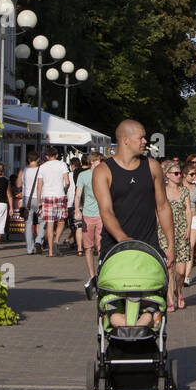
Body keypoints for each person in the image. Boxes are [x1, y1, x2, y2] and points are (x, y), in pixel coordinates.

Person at [91, 120, 175, 266]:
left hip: (148, 247)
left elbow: (163, 207)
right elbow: (106, 211)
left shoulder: (152, 166)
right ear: (126, 140)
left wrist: (171, 245)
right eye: (141, 138)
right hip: (115, 247)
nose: (145, 141)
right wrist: (123, 239)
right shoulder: (103, 171)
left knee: (155, 288)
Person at [160, 158, 191, 310]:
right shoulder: (161, 191)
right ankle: (170, 298)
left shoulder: (185, 190)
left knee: (181, 271)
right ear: (168, 175)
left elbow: (188, 211)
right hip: (165, 231)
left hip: (181, 231)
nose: (179, 176)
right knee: (169, 267)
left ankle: (179, 290)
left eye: (180, 173)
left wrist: (189, 227)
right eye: (176, 173)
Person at [35, 146, 71, 258]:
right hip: (60, 195)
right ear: (56, 155)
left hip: (46, 196)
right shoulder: (62, 165)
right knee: (61, 220)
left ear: (46, 156)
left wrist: (38, 200)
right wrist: (64, 190)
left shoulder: (42, 167)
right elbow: (68, 182)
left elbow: (39, 185)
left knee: (49, 224)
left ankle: (50, 251)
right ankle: (56, 241)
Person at [74, 153, 102, 284]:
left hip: (103, 215)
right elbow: (78, 194)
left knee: (101, 246)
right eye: (99, 161)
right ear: (92, 162)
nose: (101, 163)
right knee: (88, 247)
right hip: (88, 215)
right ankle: (92, 276)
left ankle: (101, 272)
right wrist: (77, 210)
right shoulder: (83, 175)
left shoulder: (105, 174)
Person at [19, 151, 42, 255]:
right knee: (43, 221)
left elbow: (19, 184)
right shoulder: (41, 170)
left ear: (28, 159)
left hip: (26, 198)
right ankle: (38, 240)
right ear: (37, 159)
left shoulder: (24, 170)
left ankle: (29, 249)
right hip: (38, 197)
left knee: (28, 224)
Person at [183, 164, 196, 287]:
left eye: (195, 174)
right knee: (182, 247)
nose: (194, 176)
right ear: (184, 175)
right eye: (191, 174)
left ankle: (186, 276)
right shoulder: (180, 187)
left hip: (194, 218)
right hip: (182, 219)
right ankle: (179, 272)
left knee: (191, 246)